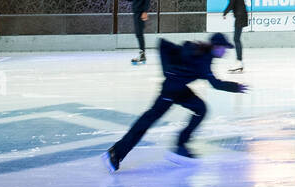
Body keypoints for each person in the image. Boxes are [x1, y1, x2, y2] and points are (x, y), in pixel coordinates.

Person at [105, 32, 247, 171]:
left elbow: (174, 50)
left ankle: (180, 145)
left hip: (179, 88)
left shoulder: (201, 53)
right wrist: (236, 87)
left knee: (200, 109)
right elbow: (215, 84)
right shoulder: (202, 58)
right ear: (216, 47)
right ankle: (116, 153)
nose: (225, 51)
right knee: (148, 119)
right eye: (224, 48)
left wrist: (173, 72)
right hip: (171, 90)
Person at [222, 0, 248, 73]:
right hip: (241, 15)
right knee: (236, 38)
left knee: (236, 39)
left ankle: (239, 62)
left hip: (240, 16)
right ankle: (239, 62)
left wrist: (225, 12)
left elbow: (231, 3)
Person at [125, 0, 150, 65]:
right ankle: (142, 54)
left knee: (139, 33)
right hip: (136, 12)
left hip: (140, 13)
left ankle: (142, 55)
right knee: (138, 33)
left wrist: (145, 11)